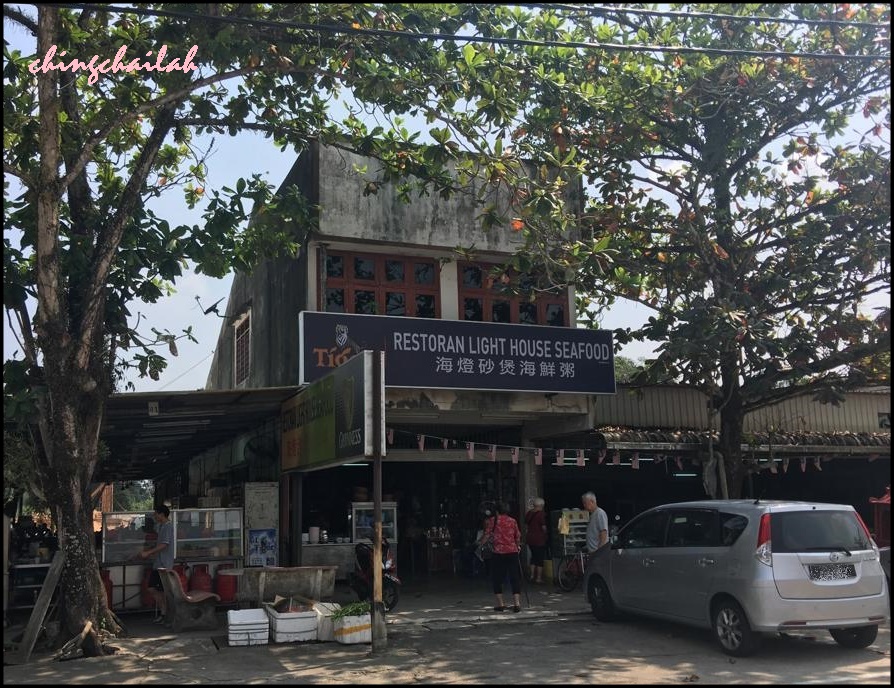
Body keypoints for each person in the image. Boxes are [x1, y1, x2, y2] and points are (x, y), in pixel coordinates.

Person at [482, 501, 523, 613]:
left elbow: (487, 534)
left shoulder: (493, 521)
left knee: (497, 578)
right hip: (512, 552)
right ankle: (517, 604)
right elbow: (517, 536)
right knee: (515, 577)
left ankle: (501, 604)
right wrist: (518, 546)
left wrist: (480, 544)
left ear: (497, 511)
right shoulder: (513, 521)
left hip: (498, 553)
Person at [138, 504, 174, 624]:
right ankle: (164, 613)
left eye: (156, 514)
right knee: (153, 588)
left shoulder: (168, 526)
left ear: (162, 514)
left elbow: (164, 544)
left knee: (162, 590)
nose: (155, 516)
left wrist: (149, 552)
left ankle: (166, 614)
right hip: (158, 562)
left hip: (164, 564)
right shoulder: (161, 526)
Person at [524, 497, 548, 584]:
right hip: (539, 539)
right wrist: (546, 534)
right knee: (539, 558)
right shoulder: (541, 514)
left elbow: (526, 526)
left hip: (530, 539)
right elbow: (543, 527)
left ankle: (531, 576)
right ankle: (538, 578)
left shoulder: (529, 513)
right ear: (541, 505)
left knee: (533, 557)